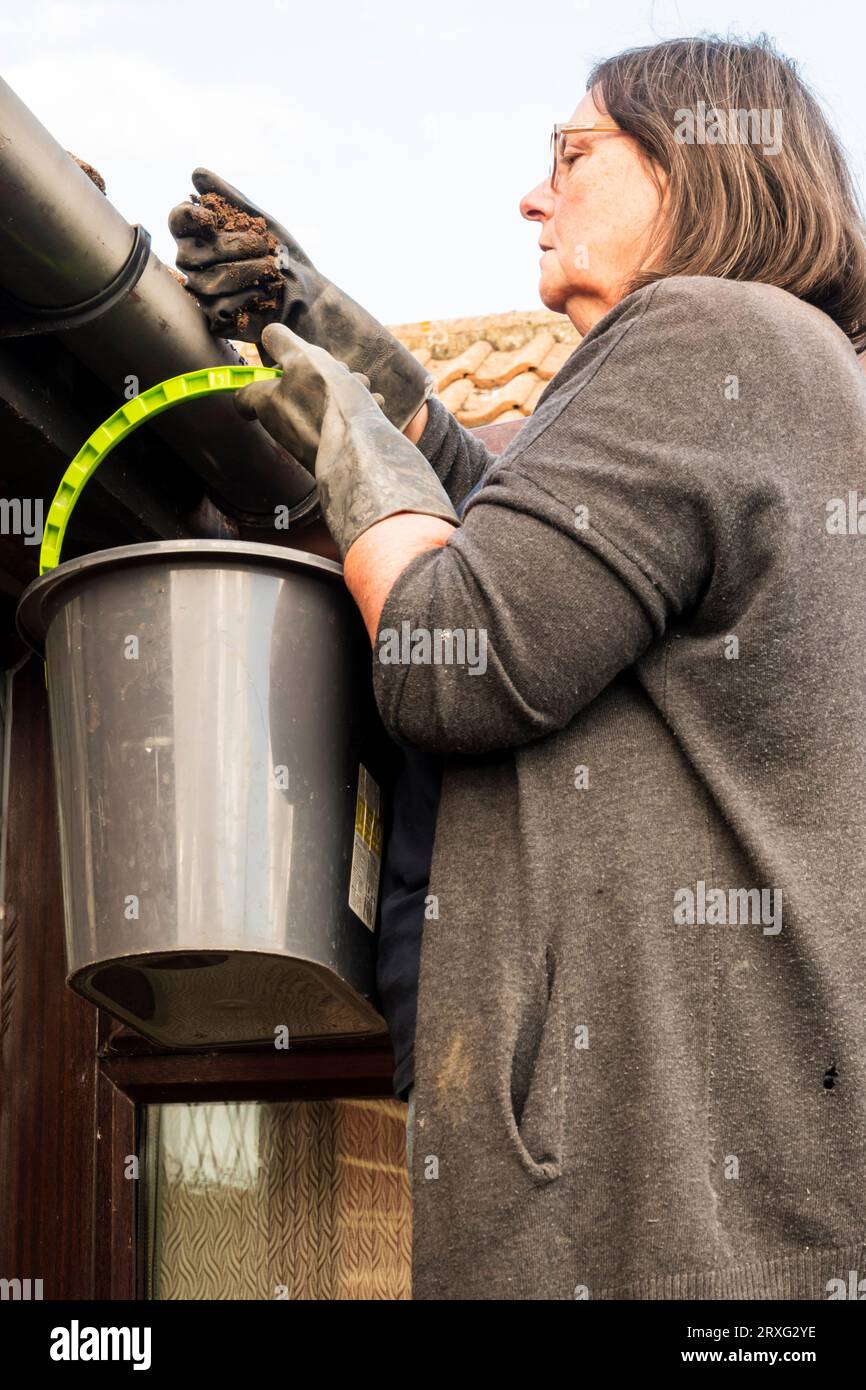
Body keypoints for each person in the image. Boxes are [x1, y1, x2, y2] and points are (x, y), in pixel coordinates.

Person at [171, 34, 866, 1300]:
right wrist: (355, 358)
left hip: (645, 1207)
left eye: (572, 153)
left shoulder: (705, 331)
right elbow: (543, 549)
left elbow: (458, 650)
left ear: (690, 165)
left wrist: (351, 448)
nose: (533, 196)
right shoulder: (776, 370)